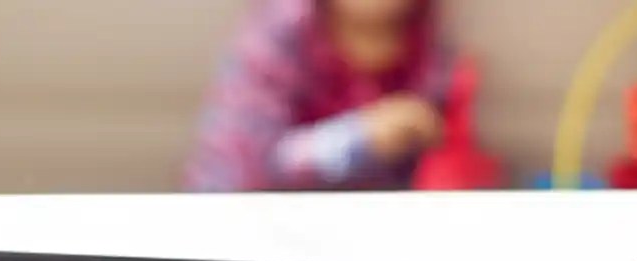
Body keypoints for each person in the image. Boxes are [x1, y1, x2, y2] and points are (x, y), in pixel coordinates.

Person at [185, 0, 453, 192]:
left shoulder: (430, 46)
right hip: (246, 222)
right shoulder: (278, 34)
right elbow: (246, 165)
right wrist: (361, 137)